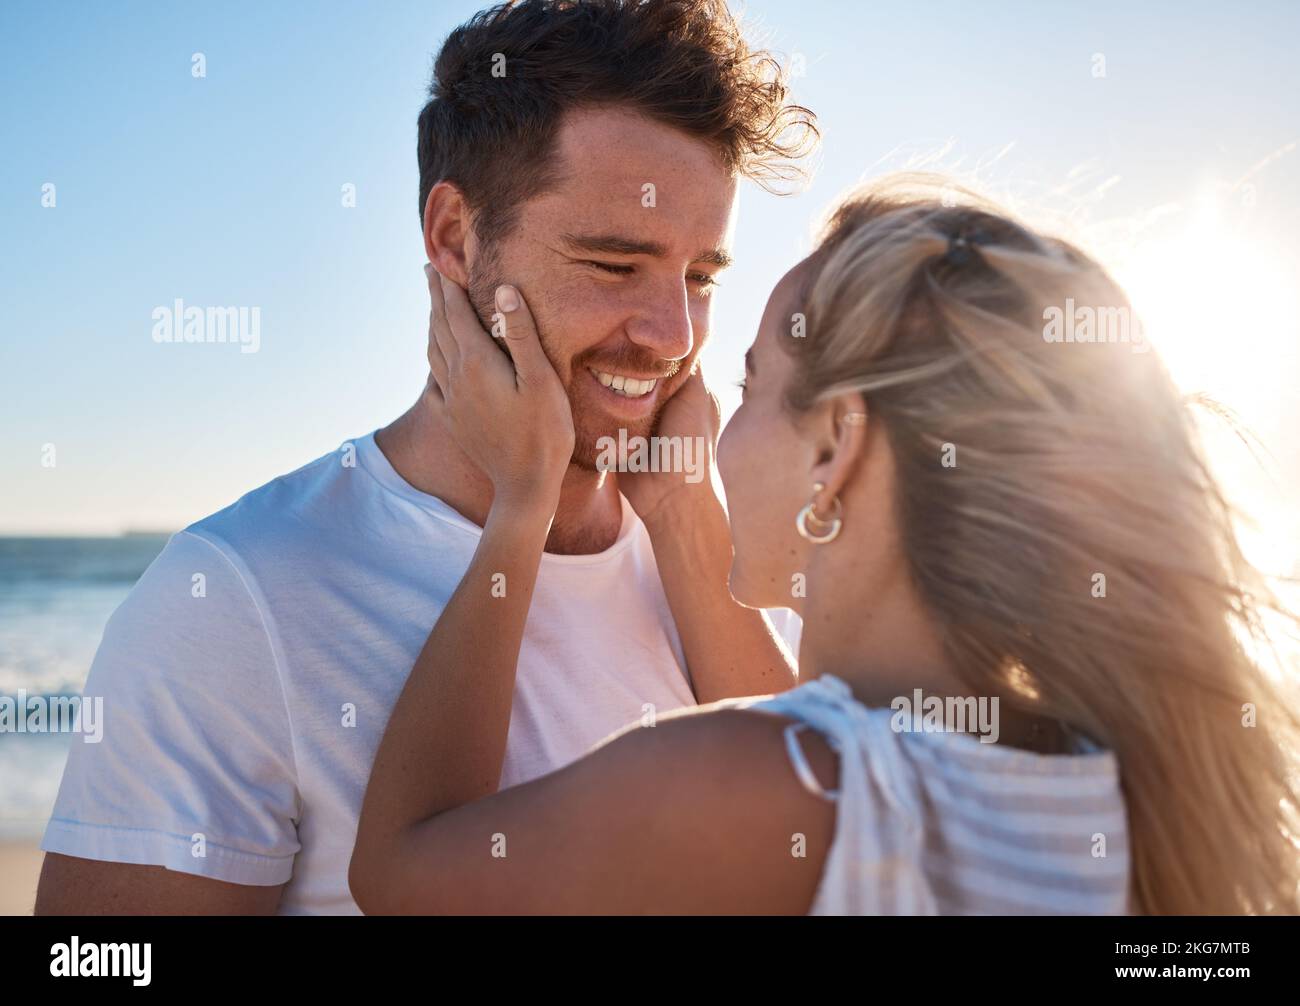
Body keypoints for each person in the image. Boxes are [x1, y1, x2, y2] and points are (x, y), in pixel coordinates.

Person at [35, 0, 815, 915]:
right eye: (613, 264)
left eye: (700, 278)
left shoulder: (734, 580)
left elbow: (826, 858)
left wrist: (683, 518)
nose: (672, 334)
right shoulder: (235, 595)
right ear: (453, 237)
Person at [350, 175, 1300, 915]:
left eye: (751, 385)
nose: (707, 413)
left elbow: (400, 872)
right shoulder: (1093, 767)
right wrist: (682, 515)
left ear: (837, 444)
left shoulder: (760, 784)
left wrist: (523, 501)